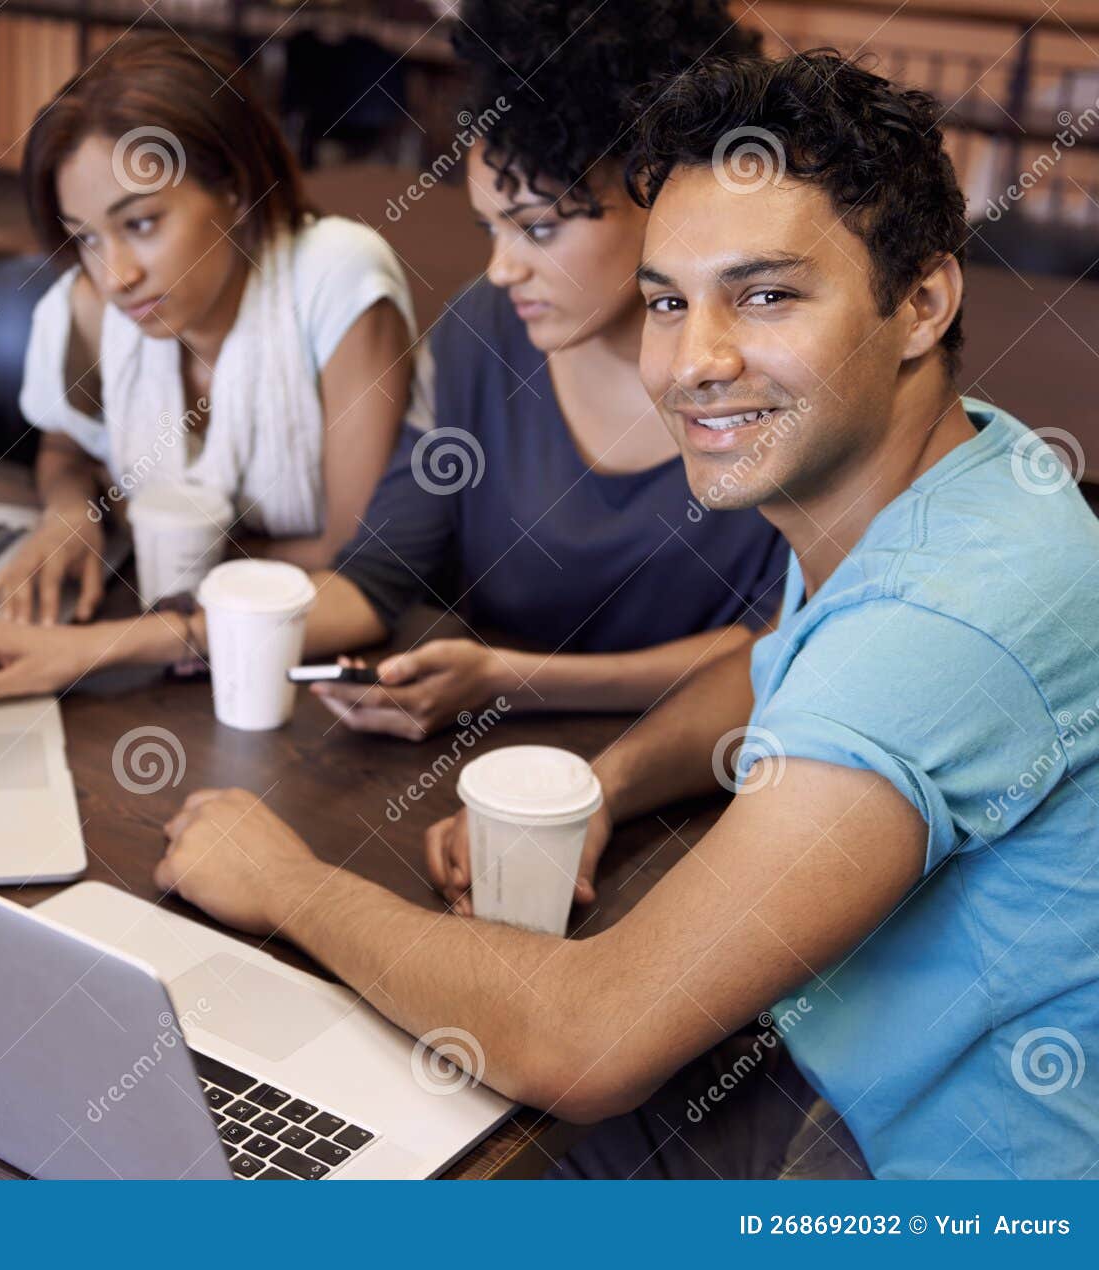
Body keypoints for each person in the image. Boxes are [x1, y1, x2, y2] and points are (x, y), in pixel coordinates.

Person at [147, 51, 1099, 1179]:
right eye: (666, 301)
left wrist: (286, 884)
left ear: (920, 302)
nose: (694, 360)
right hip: (827, 1063)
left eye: (764, 294)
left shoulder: (944, 621)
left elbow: (584, 1039)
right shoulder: (948, 462)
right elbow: (778, 666)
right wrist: (608, 784)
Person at [0, 2, 785, 738]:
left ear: (660, 186)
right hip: (506, 758)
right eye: (490, 228)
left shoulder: (770, 372)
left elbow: (787, 652)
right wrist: (97, 649)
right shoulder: (483, 334)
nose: (504, 266)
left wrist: (510, 679)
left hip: (718, 776)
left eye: (540, 228)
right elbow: (368, 584)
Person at [0, 33, 421, 622]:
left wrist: (183, 559)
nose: (116, 276)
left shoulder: (336, 282)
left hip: (329, 641)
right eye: (86, 237)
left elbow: (351, 550)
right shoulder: (87, 310)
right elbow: (67, 445)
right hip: (177, 625)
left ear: (234, 188)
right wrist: (69, 512)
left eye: (139, 223)